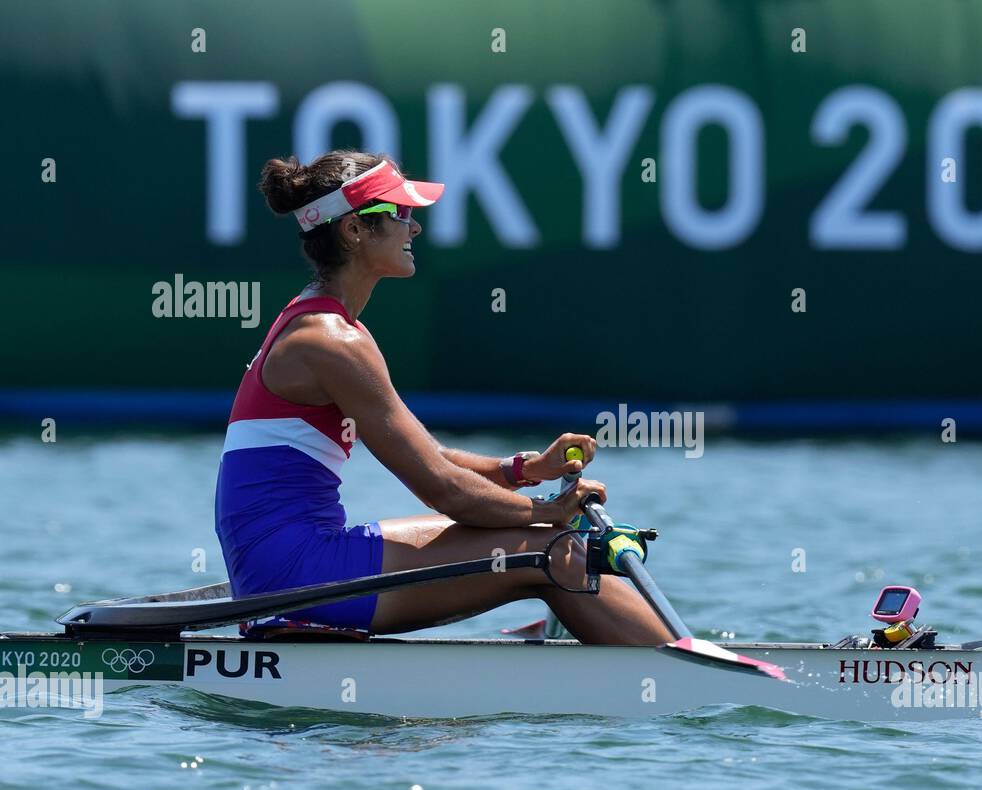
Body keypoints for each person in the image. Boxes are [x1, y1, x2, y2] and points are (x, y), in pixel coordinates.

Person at [214, 150, 671, 645]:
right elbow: (442, 489)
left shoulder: (324, 323)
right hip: (294, 578)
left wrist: (524, 471)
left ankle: (624, 648)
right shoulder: (331, 342)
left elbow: (432, 457)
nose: (415, 229)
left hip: (286, 564)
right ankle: (682, 676)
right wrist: (547, 514)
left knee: (542, 539)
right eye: (401, 213)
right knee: (556, 549)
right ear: (354, 230)